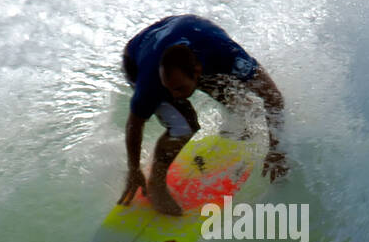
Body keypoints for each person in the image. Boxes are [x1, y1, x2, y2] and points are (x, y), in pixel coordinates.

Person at [118, 14, 287, 215]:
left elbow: (273, 98)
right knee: (184, 125)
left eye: (178, 89)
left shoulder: (226, 55)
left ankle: (234, 133)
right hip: (138, 58)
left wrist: (276, 149)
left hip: (193, 35)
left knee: (240, 102)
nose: (174, 96)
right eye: (169, 89)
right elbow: (134, 123)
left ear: (198, 71)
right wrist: (134, 169)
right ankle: (157, 184)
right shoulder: (152, 81)